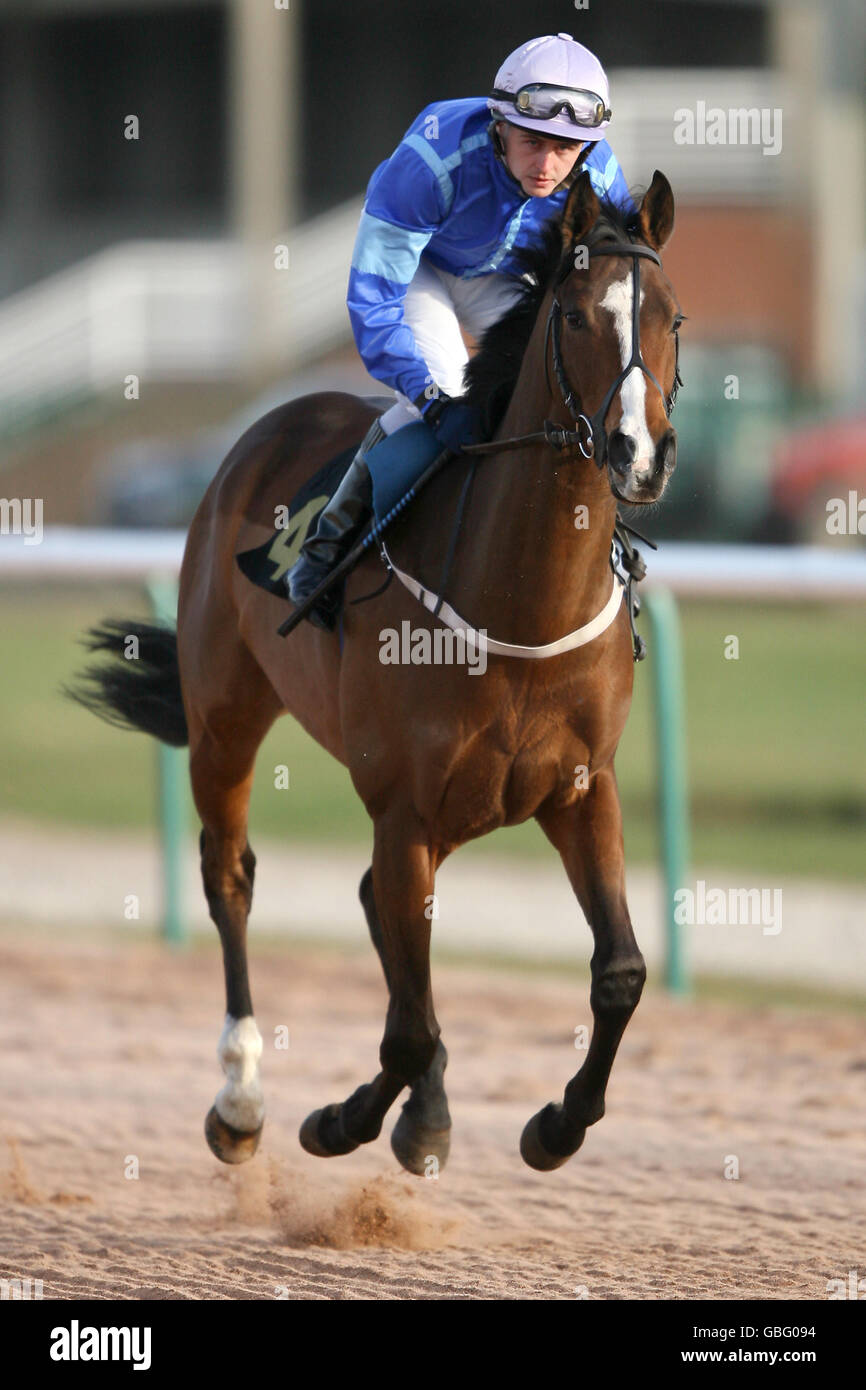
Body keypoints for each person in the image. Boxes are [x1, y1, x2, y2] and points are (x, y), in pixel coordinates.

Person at [287, 32, 635, 629]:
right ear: (500, 125)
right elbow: (375, 299)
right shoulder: (433, 159)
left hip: (498, 278)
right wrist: (429, 400)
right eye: (533, 142)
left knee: (541, 384)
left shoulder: (598, 176)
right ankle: (327, 544)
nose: (549, 165)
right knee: (448, 397)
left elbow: (610, 288)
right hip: (417, 271)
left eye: (567, 148)